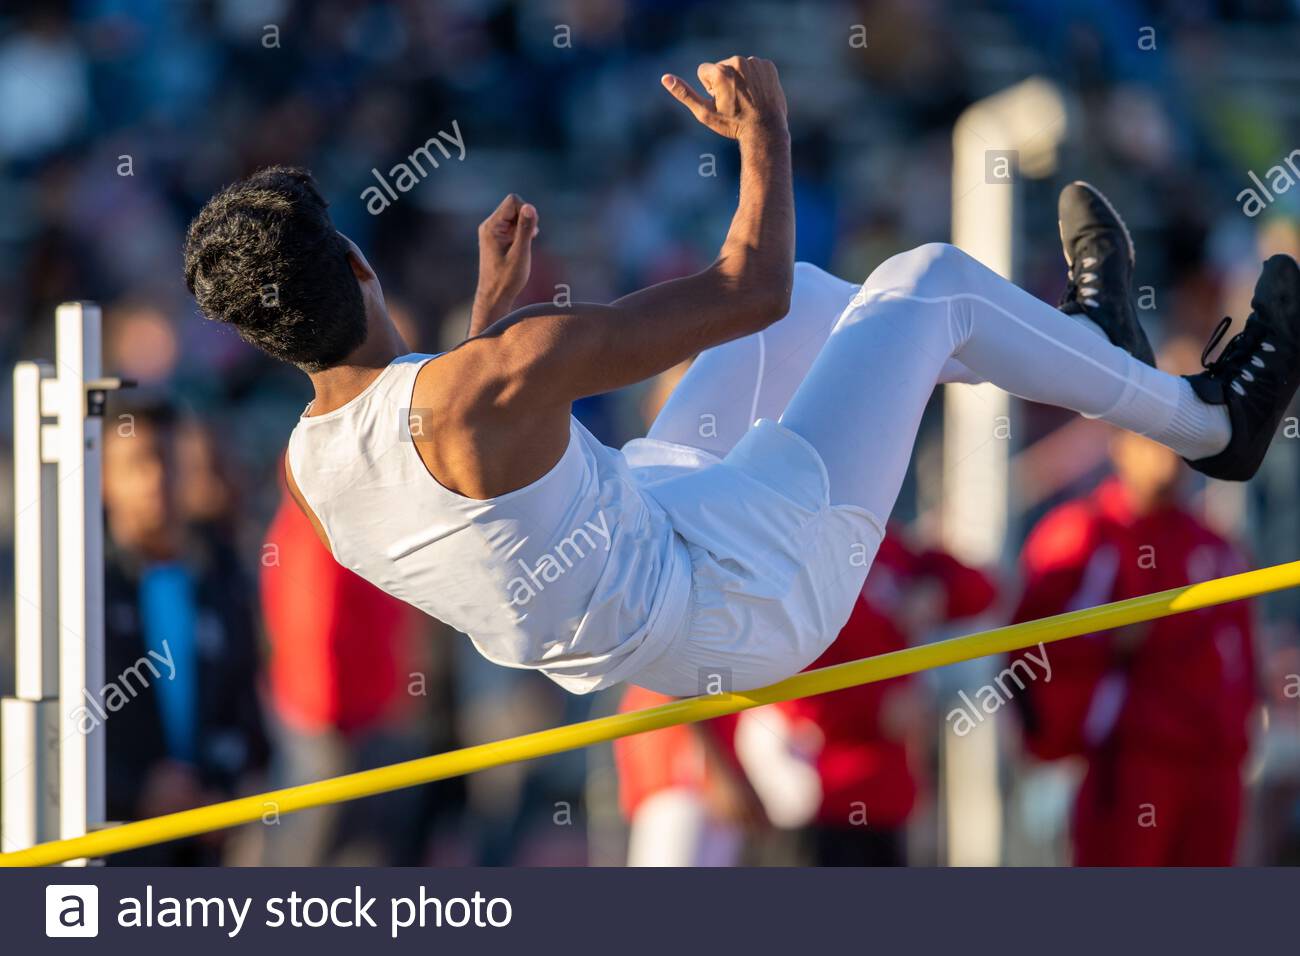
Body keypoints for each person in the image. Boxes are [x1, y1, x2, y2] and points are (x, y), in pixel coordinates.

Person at [181, 55, 1300, 699]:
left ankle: (1088, 352)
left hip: (656, 548)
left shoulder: (312, 466)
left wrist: (492, 329)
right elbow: (738, 284)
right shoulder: (482, 381)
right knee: (926, 283)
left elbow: (464, 477)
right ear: (362, 262)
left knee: (822, 302)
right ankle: (1211, 421)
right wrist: (764, 132)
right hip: (743, 596)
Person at [1009, 425, 1258, 866]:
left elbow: (1242, 657)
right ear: (1120, 445)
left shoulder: (1215, 546)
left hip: (1216, 765)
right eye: (1152, 442)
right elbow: (1027, 650)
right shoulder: (1083, 535)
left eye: (1175, 443)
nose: (1166, 458)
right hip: (1130, 764)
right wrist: (1107, 645)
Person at [101, 398, 269, 865]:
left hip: (202, 848)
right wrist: (135, 789)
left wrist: (220, 790)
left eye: (170, 462)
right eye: (137, 464)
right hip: (107, 848)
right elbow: (47, 731)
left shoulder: (221, 576)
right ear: (103, 478)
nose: (157, 480)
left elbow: (246, 711)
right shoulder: (75, 586)